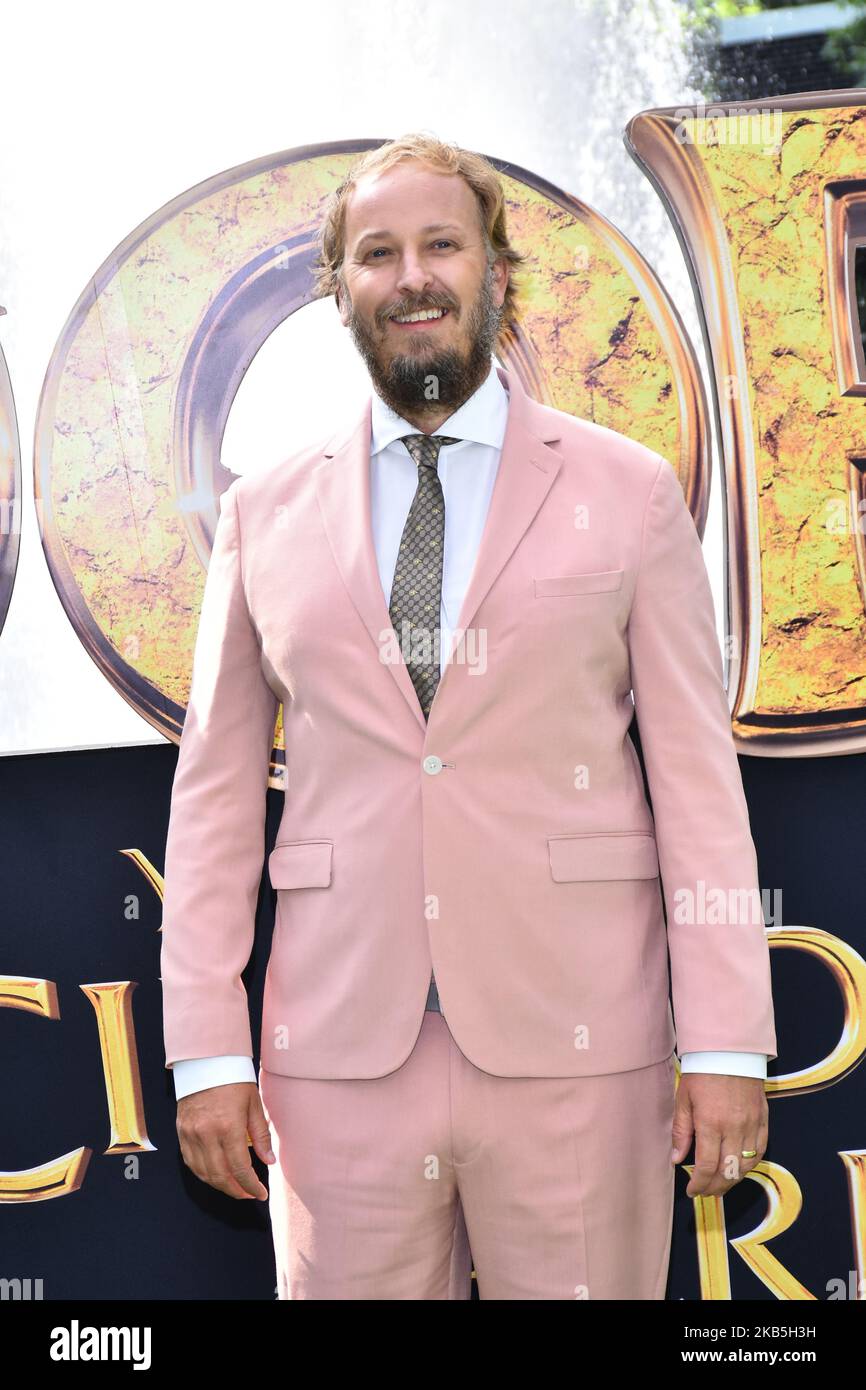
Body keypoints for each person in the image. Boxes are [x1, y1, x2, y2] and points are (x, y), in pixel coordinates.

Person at [160, 132, 776, 1300]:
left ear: (498, 269)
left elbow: (698, 786)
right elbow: (214, 805)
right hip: (336, 1062)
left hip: (581, 1052)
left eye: (441, 243)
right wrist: (204, 1054)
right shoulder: (263, 514)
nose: (412, 277)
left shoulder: (626, 490)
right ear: (340, 292)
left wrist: (724, 1045)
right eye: (377, 253)